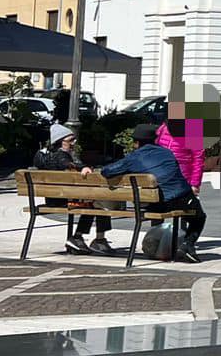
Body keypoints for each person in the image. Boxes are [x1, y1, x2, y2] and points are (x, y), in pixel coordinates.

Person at [87, 123, 204, 263]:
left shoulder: (133, 158)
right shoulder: (167, 153)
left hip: (154, 205)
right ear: (155, 139)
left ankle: (165, 245)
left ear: (136, 143)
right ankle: (187, 245)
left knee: (165, 202)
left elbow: (107, 171)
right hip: (180, 199)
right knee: (199, 217)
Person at [35, 123, 113, 256]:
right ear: (60, 142)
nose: (74, 142)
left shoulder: (45, 156)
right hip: (64, 200)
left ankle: (79, 238)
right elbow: (66, 164)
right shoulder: (61, 156)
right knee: (99, 205)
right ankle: (95, 240)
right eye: (70, 140)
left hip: (53, 199)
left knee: (93, 204)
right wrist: (82, 167)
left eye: (74, 139)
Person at [161, 109, 207, 252]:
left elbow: (198, 159)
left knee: (187, 211)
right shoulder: (163, 128)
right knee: (192, 212)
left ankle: (182, 239)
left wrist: (195, 183)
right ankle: (179, 242)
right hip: (166, 179)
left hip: (183, 177)